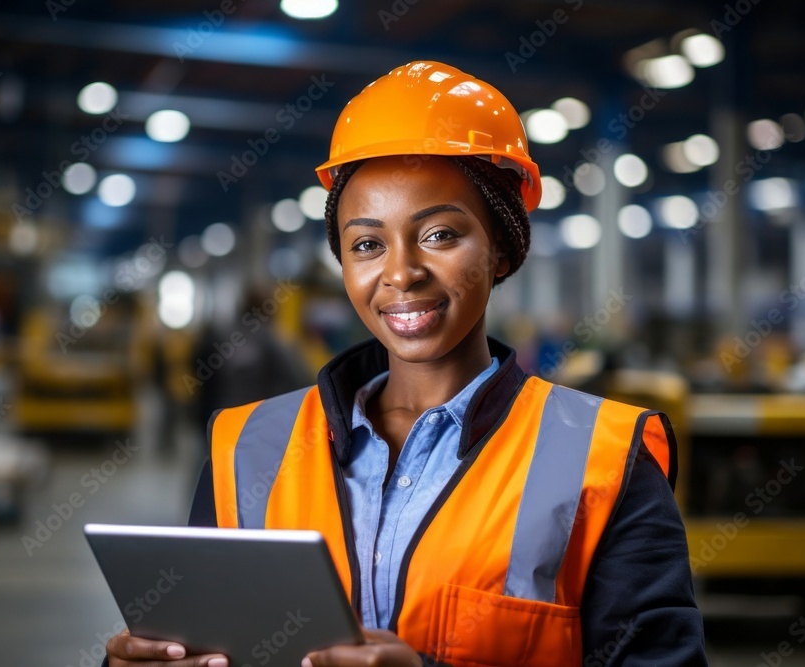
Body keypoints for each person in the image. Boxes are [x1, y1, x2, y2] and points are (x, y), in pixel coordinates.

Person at [105, 61, 707, 667]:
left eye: (440, 234)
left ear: (501, 249)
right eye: (367, 244)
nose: (400, 273)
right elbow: (207, 636)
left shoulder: (604, 457)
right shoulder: (249, 447)